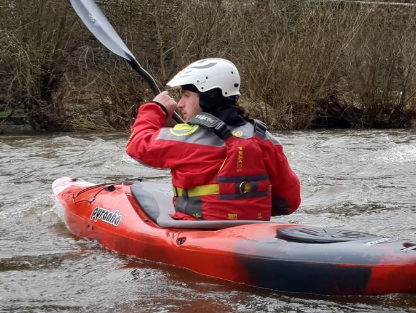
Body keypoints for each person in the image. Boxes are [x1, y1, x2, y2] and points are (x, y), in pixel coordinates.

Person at [125, 57, 301, 221]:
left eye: (186, 96)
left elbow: (137, 145)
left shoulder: (188, 138)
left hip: (199, 231)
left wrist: (156, 109)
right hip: (255, 232)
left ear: (208, 97)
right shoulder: (264, 138)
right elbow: (289, 201)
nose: (180, 104)